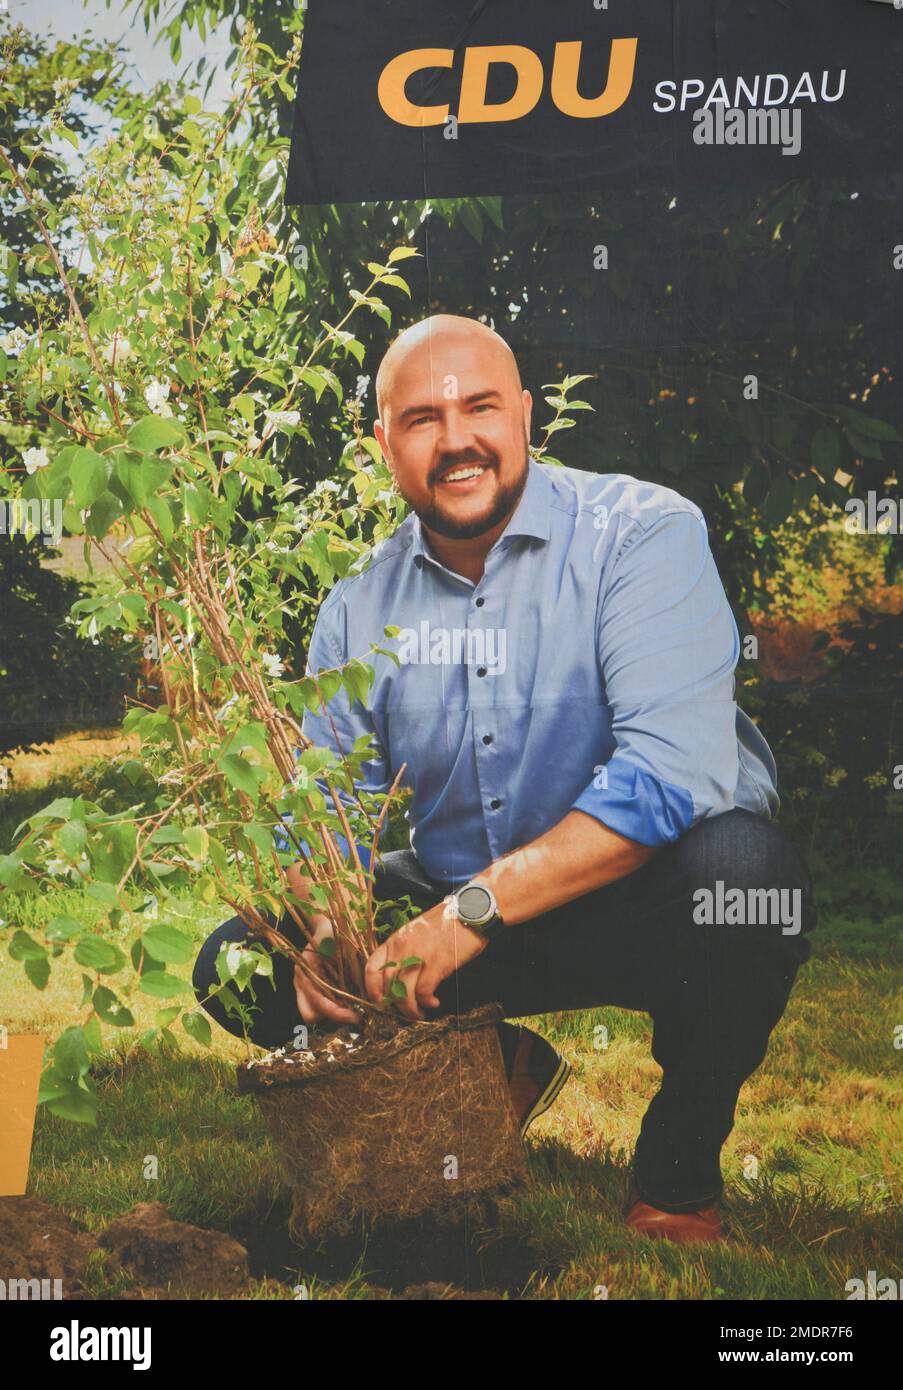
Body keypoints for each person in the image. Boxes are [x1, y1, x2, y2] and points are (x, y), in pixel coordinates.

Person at [194, 314, 816, 1243]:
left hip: (643, 899)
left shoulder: (641, 534)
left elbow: (670, 773)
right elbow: (318, 810)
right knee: (236, 960)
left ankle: (676, 1175)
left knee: (748, 880)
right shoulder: (356, 608)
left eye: (480, 406)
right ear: (382, 445)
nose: (456, 439)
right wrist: (325, 924)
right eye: (420, 419)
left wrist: (464, 916)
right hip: (460, 920)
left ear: (524, 415)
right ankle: (488, 1066)